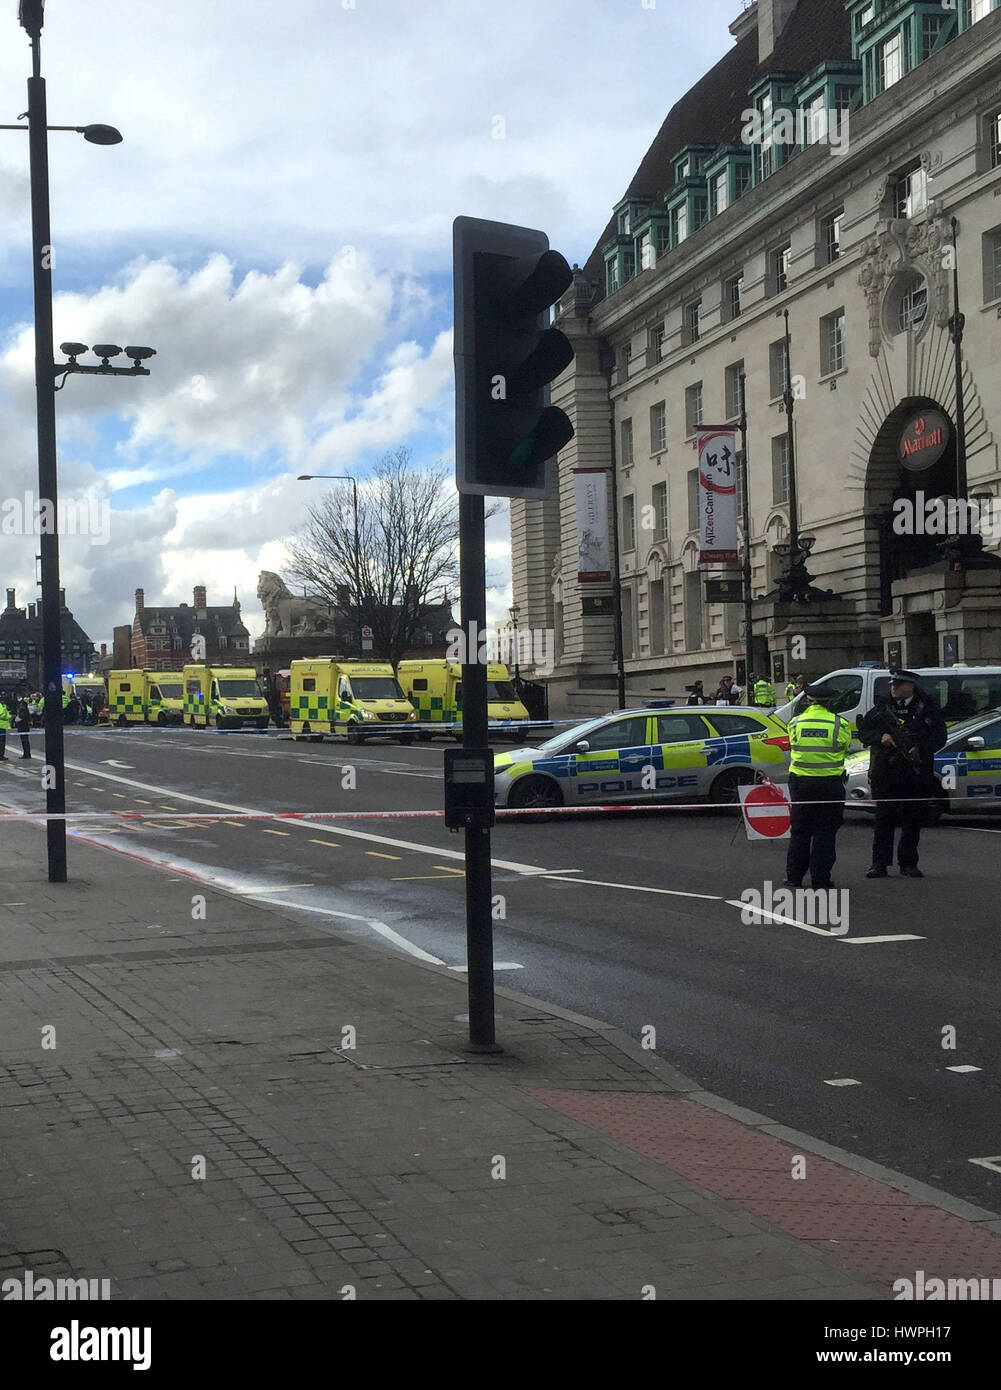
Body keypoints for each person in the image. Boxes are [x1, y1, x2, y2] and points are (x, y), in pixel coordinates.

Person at [858, 669, 947, 879]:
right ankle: (879, 864)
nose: (893, 688)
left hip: (915, 773)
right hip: (885, 773)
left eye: (898, 685)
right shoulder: (882, 708)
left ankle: (908, 863)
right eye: (892, 685)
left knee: (912, 819)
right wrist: (881, 737)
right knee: (883, 819)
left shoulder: (927, 709)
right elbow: (864, 732)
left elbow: (939, 738)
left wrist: (919, 749)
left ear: (911, 686)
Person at [785, 681, 853, 889]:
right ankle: (820, 880)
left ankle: (794, 878)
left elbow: (792, 744)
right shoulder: (839, 724)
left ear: (808, 700)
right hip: (830, 784)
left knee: (800, 832)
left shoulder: (795, 723)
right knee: (825, 832)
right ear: (829, 702)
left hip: (801, 783)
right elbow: (845, 747)